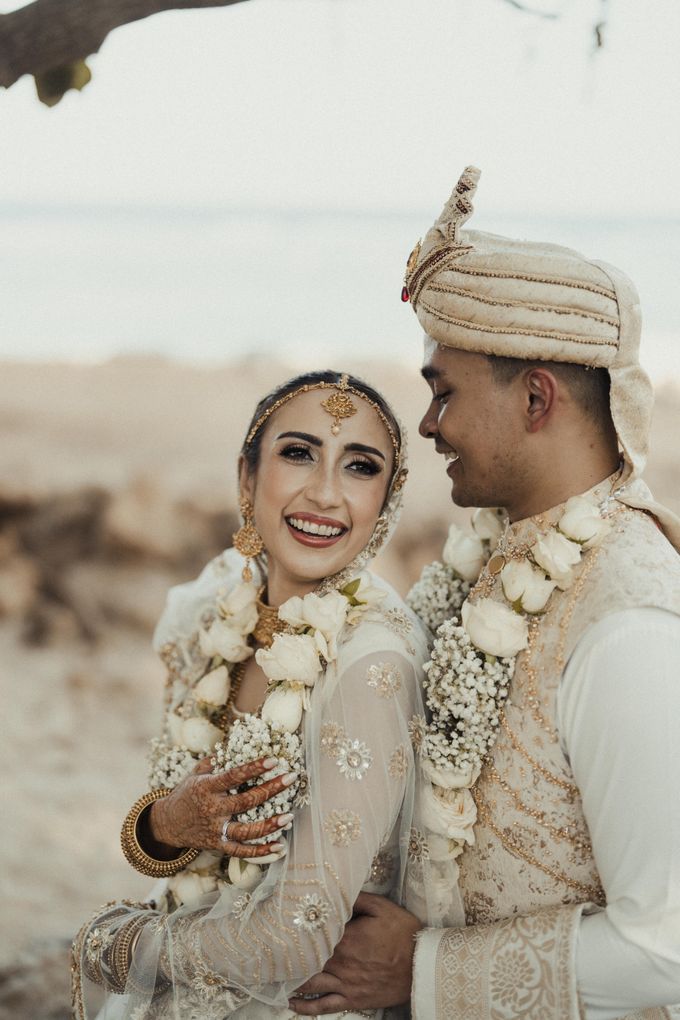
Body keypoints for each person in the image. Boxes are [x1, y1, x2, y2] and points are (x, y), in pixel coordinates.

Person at [288, 169, 680, 1019]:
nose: (427, 425)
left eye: (443, 391)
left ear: (536, 398)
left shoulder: (628, 620)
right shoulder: (496, 556)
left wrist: (421, 974)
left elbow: (666, 950)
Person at [71, 370, 446, 1019]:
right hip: (191, 969)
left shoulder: (371, 662)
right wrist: (164, 826)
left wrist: (113, 945)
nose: (325, 493)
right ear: (247, 478)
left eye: (360, 467)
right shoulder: (215, 612)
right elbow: (171, 829)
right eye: (298, 453)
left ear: (386, 502)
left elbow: (292, 939)